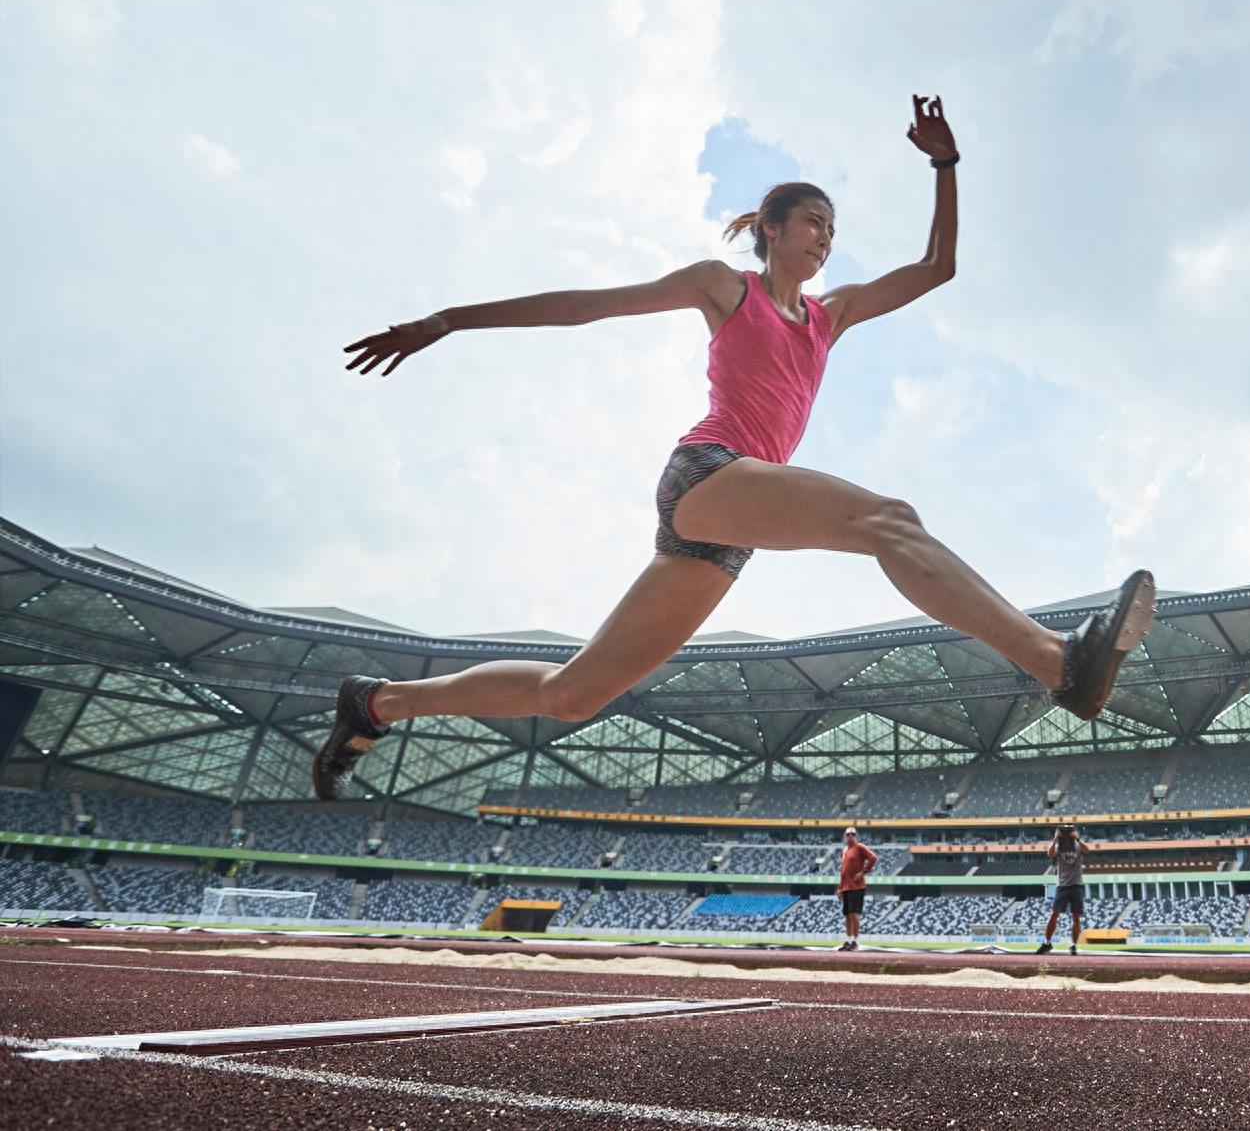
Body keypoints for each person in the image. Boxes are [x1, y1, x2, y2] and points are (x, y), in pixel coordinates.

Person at [313, 96, 1156, 800]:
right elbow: (590, 306)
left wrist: (947, 166)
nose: (824, 239)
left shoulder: (833, 314)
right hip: (708, 476)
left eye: (832, 228)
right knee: (888, 520)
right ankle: (1056, 660)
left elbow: (938, 267)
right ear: (775, 230)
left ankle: (377, 703)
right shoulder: (726, 289)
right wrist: (451, 319)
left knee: (571, 692)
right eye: (812, 224)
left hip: (729, 529)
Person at [1036, 824, 1089, 955]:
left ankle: (1074, 945)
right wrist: (1055, 839)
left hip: (1076, 884)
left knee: (1076, 917)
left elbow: (1087, 850)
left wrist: (1077, 838)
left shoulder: (1077, 846)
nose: (1066, 834)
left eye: (1069, 831)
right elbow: (1050, 853)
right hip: (1063, 885)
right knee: (1054, 914)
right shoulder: (1059, 847)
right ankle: (1047, 943)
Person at [836, 826, 876, 951]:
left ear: (856, 836)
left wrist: (863, 872)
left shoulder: (860, 847)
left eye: (853, 834)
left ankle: (855, 942)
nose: (850, 836)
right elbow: (843, 871)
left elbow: (873, 858)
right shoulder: (844, 850)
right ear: (844, 836)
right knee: (847, 915)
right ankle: (848, 941)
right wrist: (839, 888)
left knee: (854, 914)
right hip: (846, 887)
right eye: (848, 834)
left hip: (857, 886)